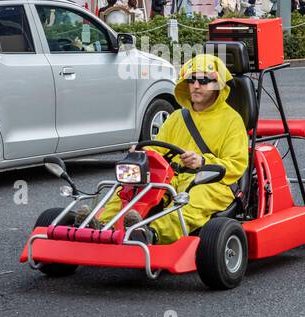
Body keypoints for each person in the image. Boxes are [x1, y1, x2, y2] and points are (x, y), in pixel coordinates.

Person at [92, 53, 249, 244]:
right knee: (131, 188)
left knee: (189, 201)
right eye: (191, 80)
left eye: (203, 80)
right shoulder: (177, 117)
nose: (196, 85)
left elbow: (236, 165)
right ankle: (102, 226)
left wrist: (202, 161)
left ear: (217, 85)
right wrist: (142, 154)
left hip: (211, 181)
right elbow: (157, 150)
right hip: (172, 177)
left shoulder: (232, 121)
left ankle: (150, 234)